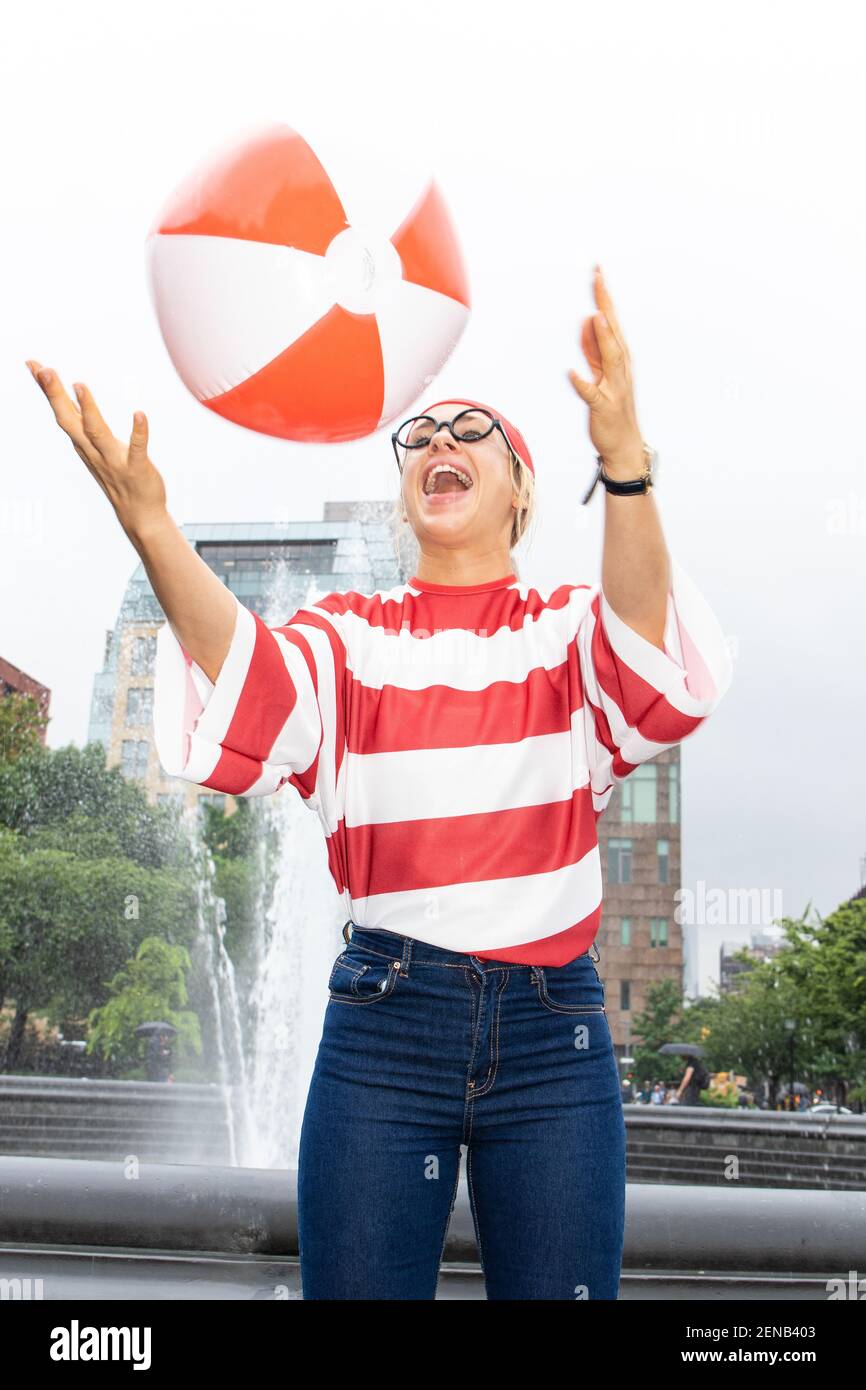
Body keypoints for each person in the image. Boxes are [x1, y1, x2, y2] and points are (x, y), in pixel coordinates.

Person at [25, 264, 732, 1300]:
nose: (437, 441)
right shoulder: (345, 638)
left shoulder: (565, 629)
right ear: (406, 491)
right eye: (420, 435)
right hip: (384, 1023)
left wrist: (623, 462)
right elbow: (254, 683)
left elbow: (643, 655)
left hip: (552, 1035)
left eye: (467, 431)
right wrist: (151, 525)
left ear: (521, 490)